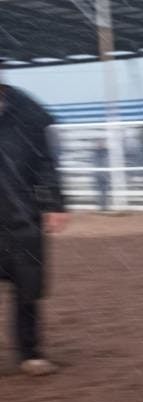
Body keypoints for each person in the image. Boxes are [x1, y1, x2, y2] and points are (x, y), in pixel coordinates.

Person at [0, 73, 68, 376]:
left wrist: (54, 203)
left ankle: (30, 353)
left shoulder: (27, 111)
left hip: (22, 214)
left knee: (28, 286)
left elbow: (45, 163)